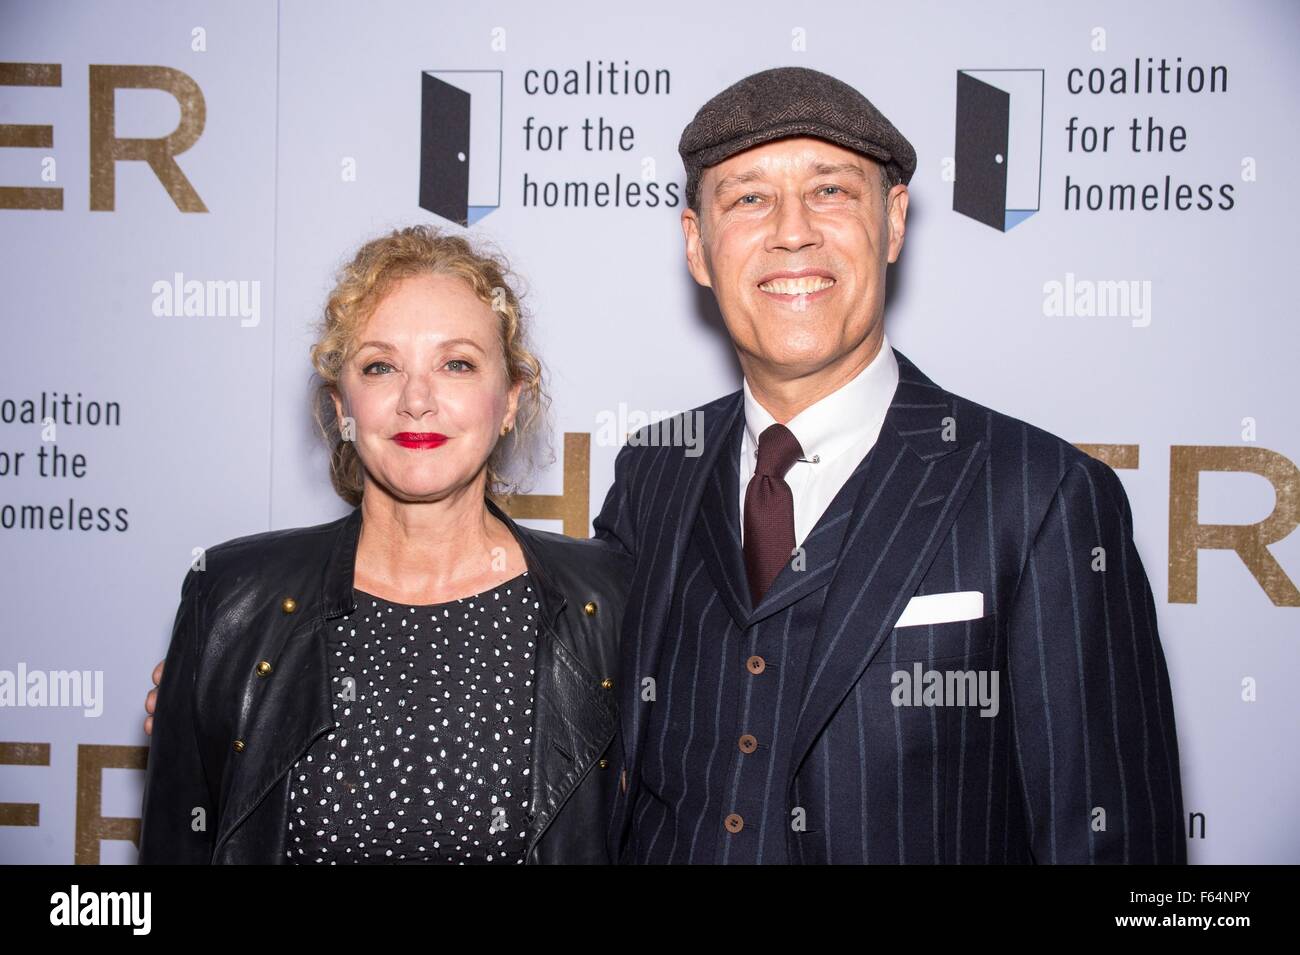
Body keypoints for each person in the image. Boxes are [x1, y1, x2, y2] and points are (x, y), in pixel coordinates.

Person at [592, 66, 1187, 863]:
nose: (792, 230)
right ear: (697, 246)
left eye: (831, 190)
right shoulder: (652, 474)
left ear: (895, 221)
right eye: (748, 197)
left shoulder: (1040, 495)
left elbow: (1112, 843)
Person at [139, 225, 629, 864]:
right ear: (342, 403)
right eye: (380, 366)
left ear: (509, 400)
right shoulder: (232, 598)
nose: (416, 400)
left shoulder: (611, 603)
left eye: (456, 364)